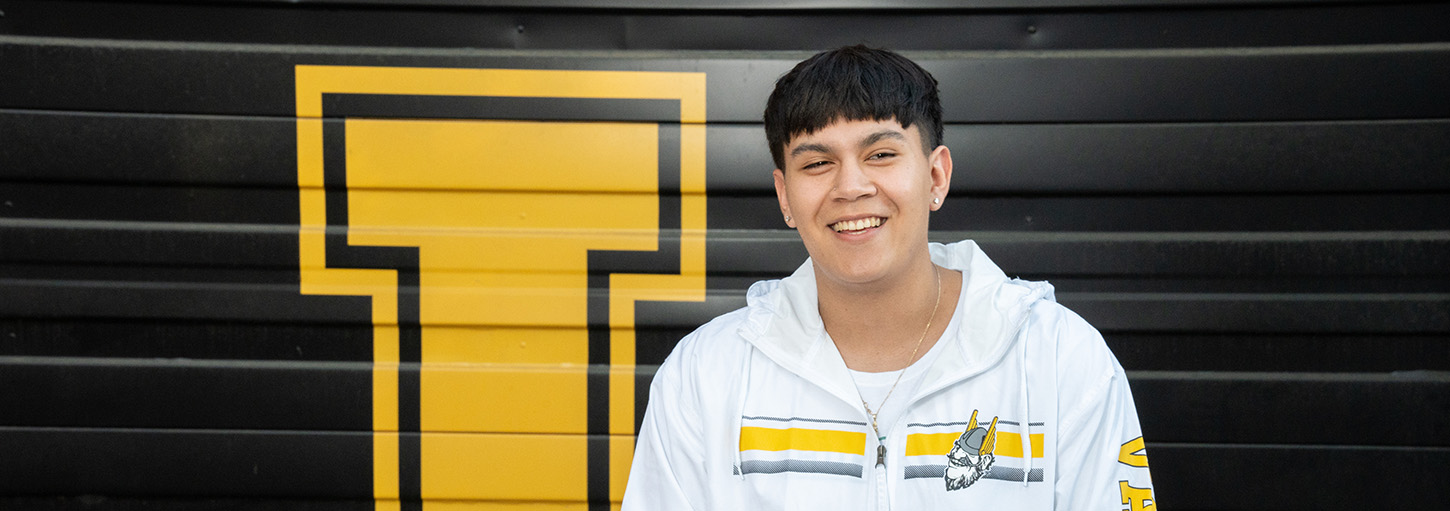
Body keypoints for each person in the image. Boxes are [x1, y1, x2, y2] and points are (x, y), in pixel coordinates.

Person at [622, 45, 1156, 509]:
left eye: (880, 154)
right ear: (785, 197)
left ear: (935, 176)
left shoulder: (1061, 361)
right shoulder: (705, 376)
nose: (851, 187)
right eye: (816, 164)